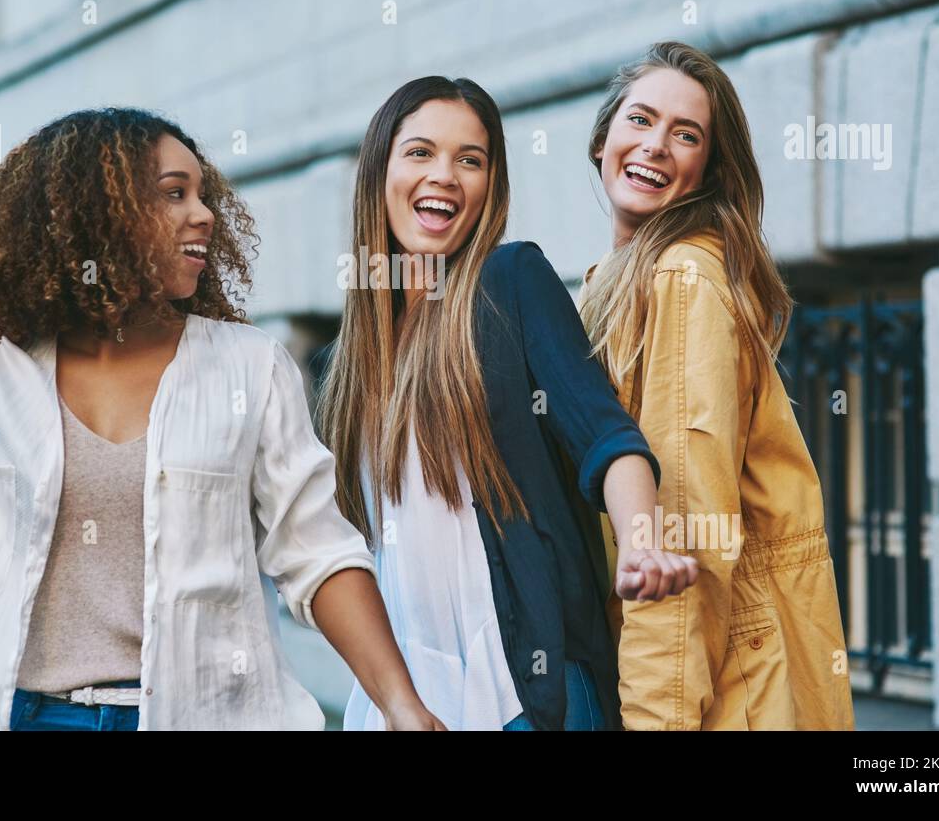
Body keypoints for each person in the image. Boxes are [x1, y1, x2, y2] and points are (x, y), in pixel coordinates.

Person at [0, 0, 443, 731]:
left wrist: (400, 702)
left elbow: (318, 550)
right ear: (98, 213)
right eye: (173, 193)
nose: (202, 213)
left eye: (203, 193)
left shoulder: (249, 366)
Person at [319, 75, 698, 731]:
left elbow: (608, 438)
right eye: (421, 153)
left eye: (471, 159)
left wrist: (641, 542)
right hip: (406, 704)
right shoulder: (350, 364)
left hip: (523, 694)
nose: (446, 175)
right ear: (379, 170)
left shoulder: (509, 282)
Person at [577, 40, 856, 729]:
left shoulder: (680, 280)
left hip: (718, 693)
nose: (656, 145)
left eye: (686, 134)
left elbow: (684, 529)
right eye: (641, 120)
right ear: (602, 138)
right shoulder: (613, 282)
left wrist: (655, 720)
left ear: (707, 169)